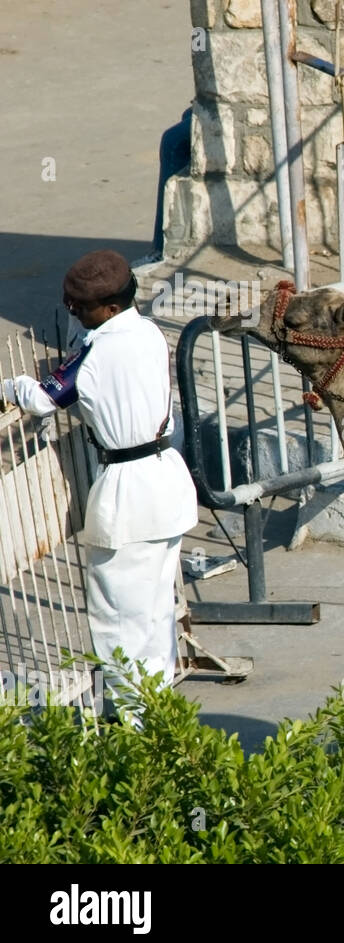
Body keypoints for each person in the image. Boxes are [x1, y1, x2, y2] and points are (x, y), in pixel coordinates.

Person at [1, 250, 198, 721]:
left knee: (118, 624)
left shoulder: (96, 352)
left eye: (79, 308)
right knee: (154, 617)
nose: (75, 316)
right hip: (167, 482)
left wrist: (10, 388)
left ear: (108, 307)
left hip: (128, 492)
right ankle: (160, 718)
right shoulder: (149, 332)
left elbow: (46, 398)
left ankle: (134, 728)